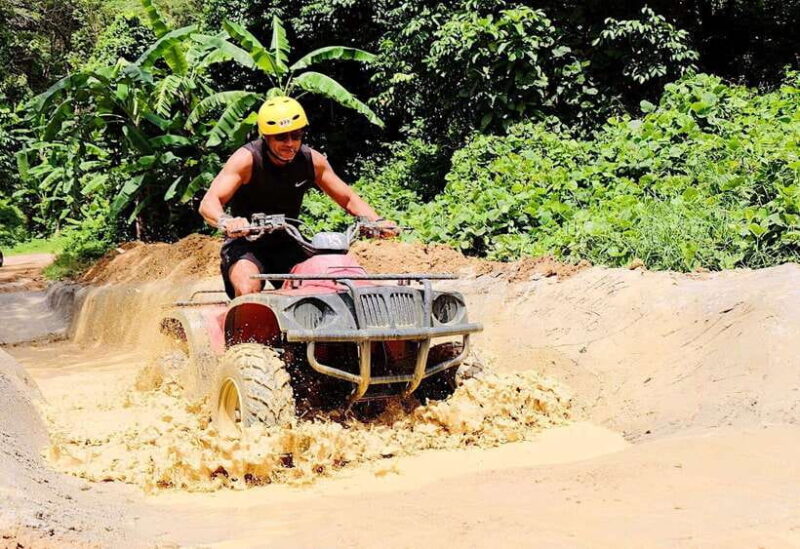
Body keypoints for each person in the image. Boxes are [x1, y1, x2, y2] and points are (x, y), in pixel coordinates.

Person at [199, 96, 398, 298]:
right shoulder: (247, 159)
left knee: (321, 285)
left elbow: (347, 198)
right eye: (281, 137)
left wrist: (377, 221)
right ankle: (244, 317)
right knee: (247, 286)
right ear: (266, 137)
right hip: (246, 242)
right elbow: (209, 202)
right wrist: (227, 221)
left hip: (288, 241)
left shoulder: (312, 161)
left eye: (296, 136)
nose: (290, 144)